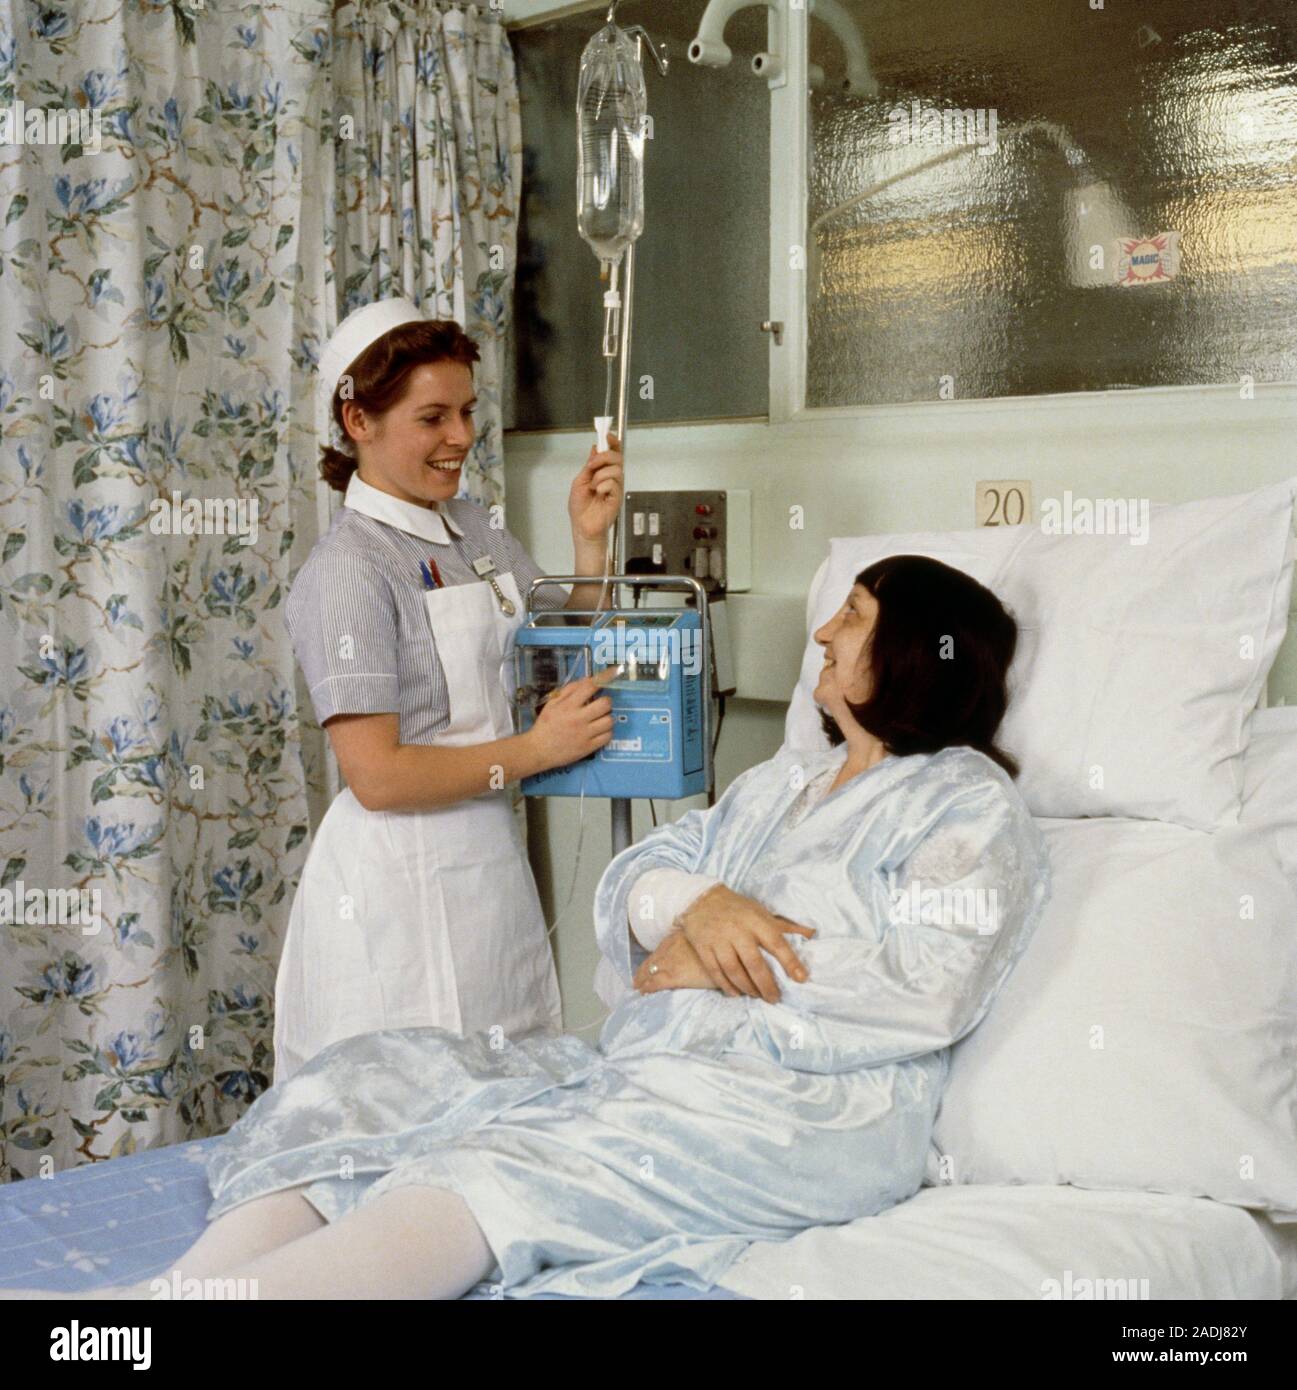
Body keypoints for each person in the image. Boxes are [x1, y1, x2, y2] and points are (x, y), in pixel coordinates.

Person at [9, 555, 1052, 1302]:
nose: (822, 632)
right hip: (652, 1070)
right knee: (375, 1086)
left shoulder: (962, 803)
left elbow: (928, 979)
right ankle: (168, 1293)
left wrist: (708, 960)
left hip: (804, 1114)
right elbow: (649, 873)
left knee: (499, 1163)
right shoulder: (784, 784)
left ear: (916, 648)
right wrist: (688, 912)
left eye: (855, 615)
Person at [273, 297, 624, 1080]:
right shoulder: (348, 572)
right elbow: (378, 776)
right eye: (432, 418)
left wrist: (587, 543)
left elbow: (556, 657)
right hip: (395, 882)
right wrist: (534, 750)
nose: (461, 437)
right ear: (357, 420)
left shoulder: (472, 527)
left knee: (504, 1096)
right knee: (405, 1106)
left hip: (486, 864)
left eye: (466, 411)